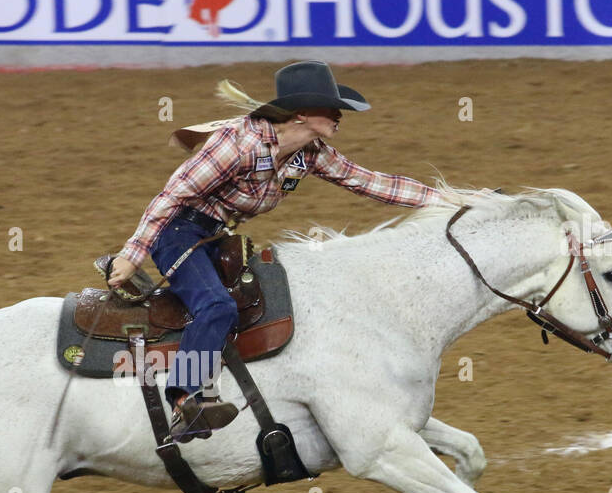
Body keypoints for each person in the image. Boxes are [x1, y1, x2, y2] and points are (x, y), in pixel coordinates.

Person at [108, 60, 443, 442]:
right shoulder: (238, 145)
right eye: (332, 108)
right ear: (301, 114)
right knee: (216, 306)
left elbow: (370, 182)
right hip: (179, 233)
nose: (340, 115)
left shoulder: (310, 153)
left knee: (268, 299)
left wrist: (449, 200)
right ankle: (186, 400)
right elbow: (172, 197)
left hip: (218, 237)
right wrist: (134, 252)